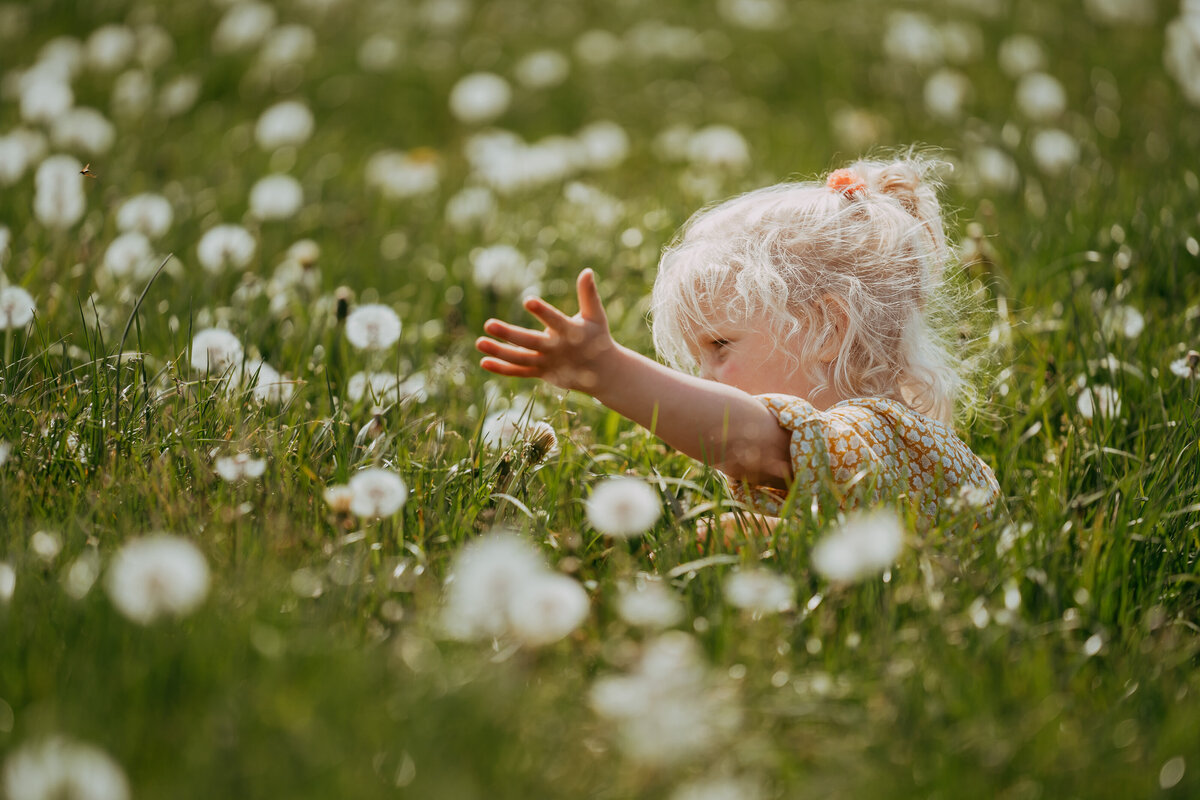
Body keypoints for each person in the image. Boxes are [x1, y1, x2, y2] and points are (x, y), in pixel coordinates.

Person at [474, 154, 1000, 534]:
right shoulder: (853, 463)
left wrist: (608, 373)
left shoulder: (878, 434)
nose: (706, 377)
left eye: (721, 345)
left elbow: (745, 438)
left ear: (826, 331)